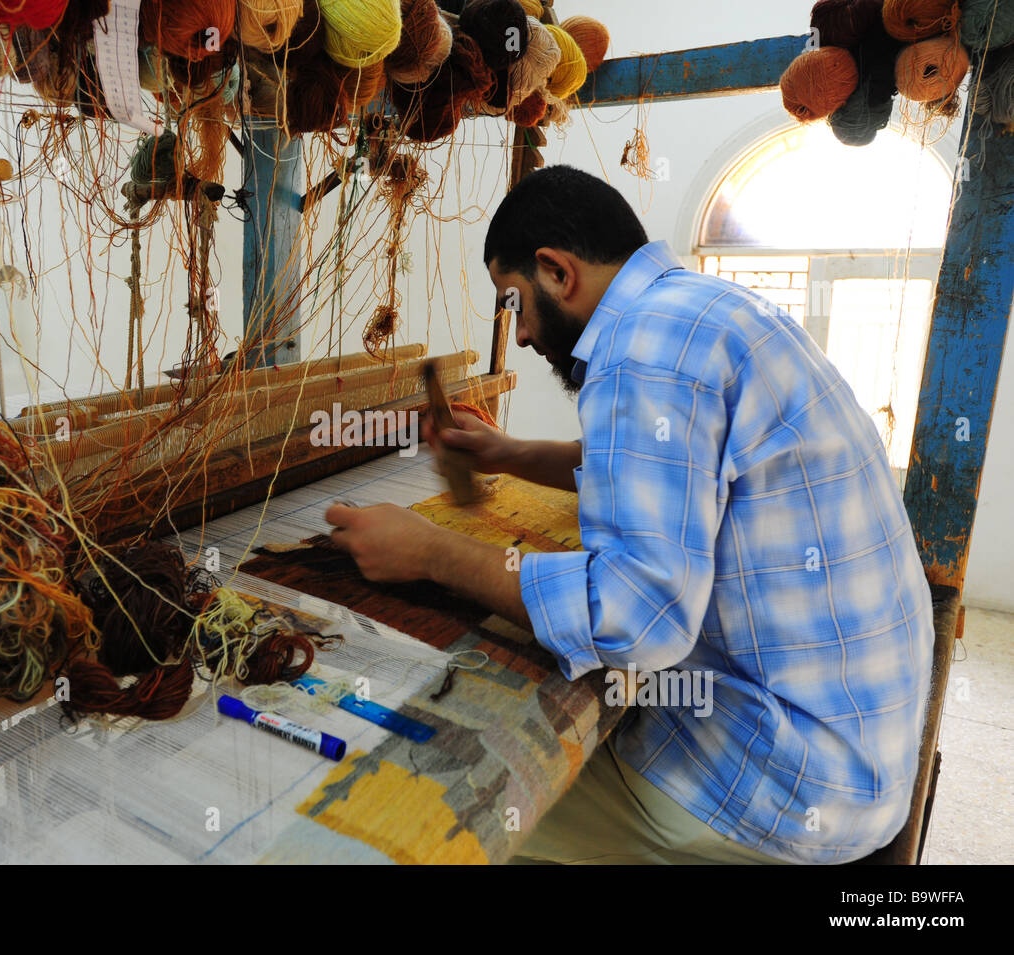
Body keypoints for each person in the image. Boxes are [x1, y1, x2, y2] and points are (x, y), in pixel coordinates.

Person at [323, 165, 934, 864]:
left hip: (783, 784)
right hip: (857, 748)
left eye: (514, 302)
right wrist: (510, 451)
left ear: (556, 271)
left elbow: (638, 618)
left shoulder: (638, 351)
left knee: (427, 812)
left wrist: (432, 553)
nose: (519, 335)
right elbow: (658, 463)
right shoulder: (700, 313)